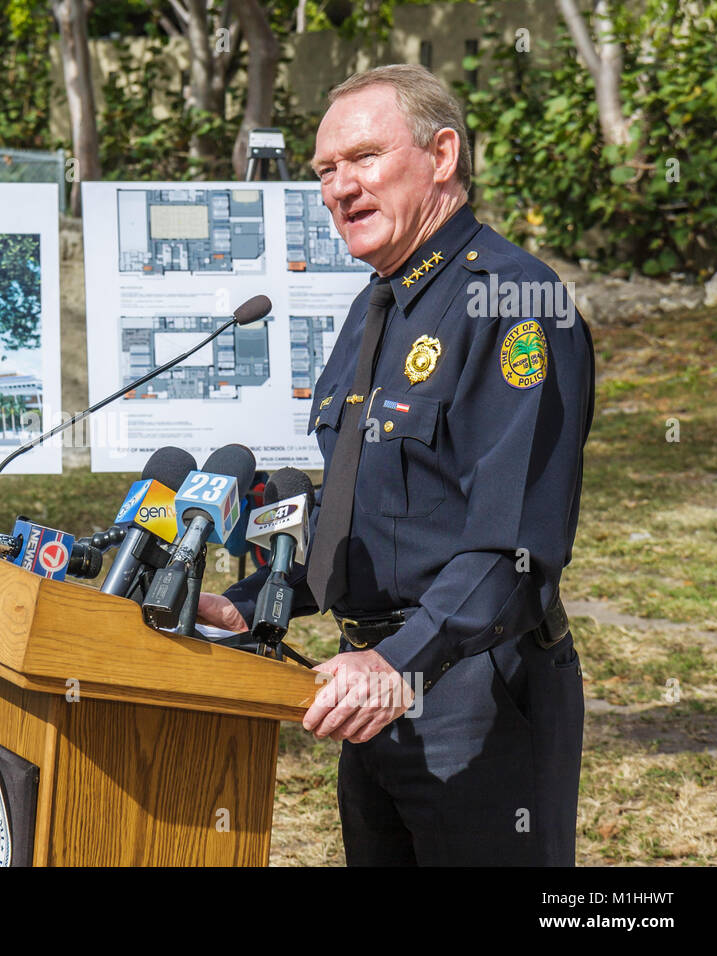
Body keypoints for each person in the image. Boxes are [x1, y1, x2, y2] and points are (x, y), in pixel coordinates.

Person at [198, 64, 594, 866]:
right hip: (371, 687)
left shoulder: (514, 304)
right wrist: (251, 604)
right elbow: (365, 512)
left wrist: (397, 663)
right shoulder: (377, 303)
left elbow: (510, 548)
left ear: (442, 155)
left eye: (365, 158)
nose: (340, 187)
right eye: (325, 171)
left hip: (472, 691)